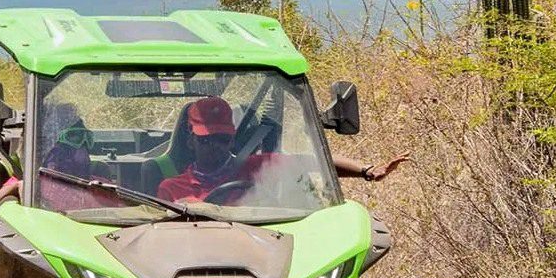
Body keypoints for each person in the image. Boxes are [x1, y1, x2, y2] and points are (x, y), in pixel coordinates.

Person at [157, 96, 408, 204]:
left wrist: (367, 171)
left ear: (232, 140)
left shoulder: (255, 167)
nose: (216, 147)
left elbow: (311, 162)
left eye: (222, 139)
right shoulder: (171, 188)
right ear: (191, 142)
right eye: (206, 140)